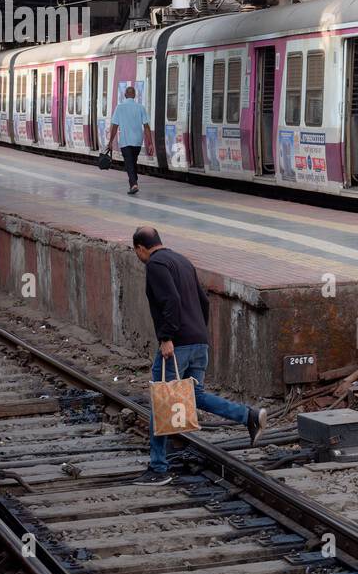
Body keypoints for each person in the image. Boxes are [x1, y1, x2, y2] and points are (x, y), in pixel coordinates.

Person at [131, 226, 266, 486]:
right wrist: (199, 332)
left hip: (177, 344)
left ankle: (158, 467)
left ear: (140, 248)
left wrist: (166, 337)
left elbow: (169, 300)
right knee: (196, 395)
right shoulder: (182, 261)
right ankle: (249, 416)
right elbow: (204, 301)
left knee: (163, 401)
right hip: (198, 341)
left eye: (136, 252)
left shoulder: (156, 264)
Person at [106, 86, 152, 195]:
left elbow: (115, 126)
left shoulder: (119, 107)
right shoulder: (141, 108)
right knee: (133, 162)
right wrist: (150, 143)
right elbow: (146, 127)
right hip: (137, 141)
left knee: (129, 163)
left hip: (125, 141)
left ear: (125, 95)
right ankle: (134, 181)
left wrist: (110, 141)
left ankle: (134, 184)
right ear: (135, 95)